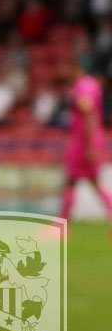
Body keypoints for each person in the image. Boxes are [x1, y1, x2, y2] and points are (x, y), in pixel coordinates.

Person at [58, 59, 112, 233]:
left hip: (84, 143)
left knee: (72, 182)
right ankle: (63, 226)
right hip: (87, 141)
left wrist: (89, 146)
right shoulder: (91, 85)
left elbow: (87, 112)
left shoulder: (84, 86)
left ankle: (62, 227)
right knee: (89, 183)